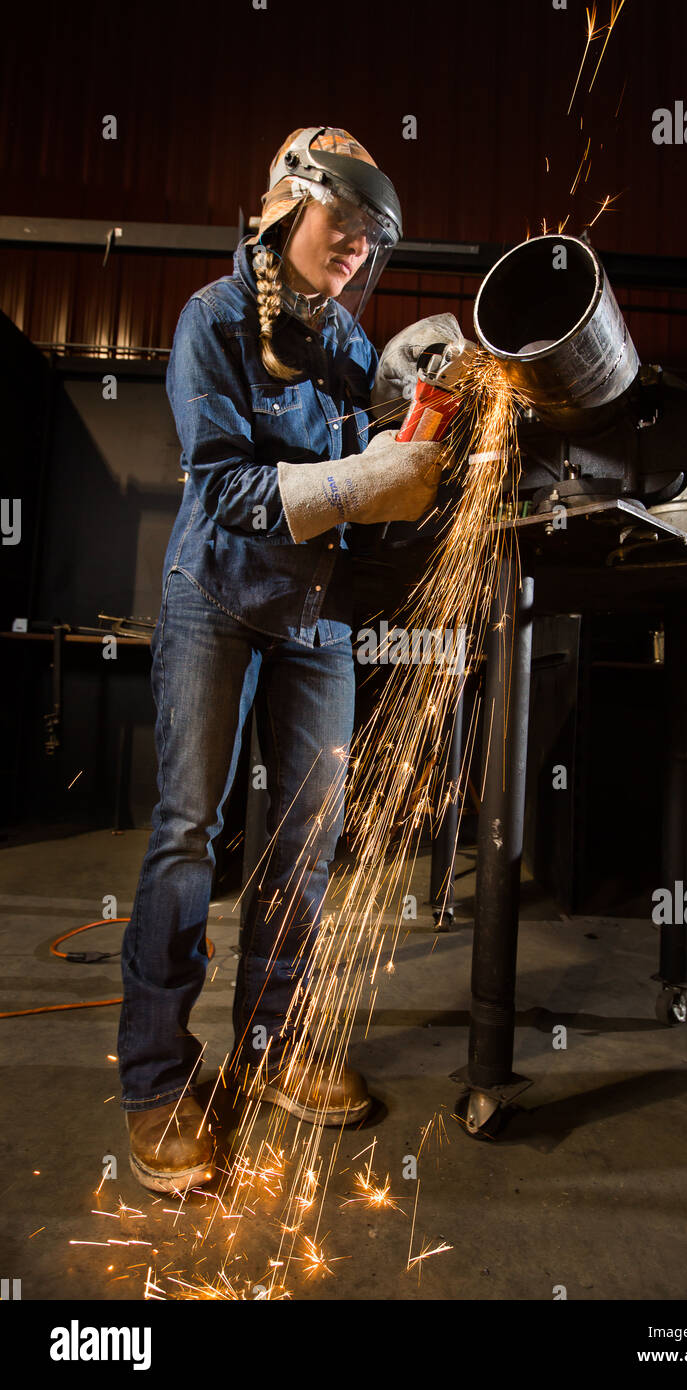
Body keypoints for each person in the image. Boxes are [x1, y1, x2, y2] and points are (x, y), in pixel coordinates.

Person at [118, 127, 447, 1195]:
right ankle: (159, 1078)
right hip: (215, 596)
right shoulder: (210, 322)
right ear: (281, 208)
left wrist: (424, 423)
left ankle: (273, 1051)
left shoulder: (352, 346)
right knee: (188, 832)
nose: (352, 245)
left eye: (368, 236)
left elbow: (376, 486)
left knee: (307, 839)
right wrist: (358, 485)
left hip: (318, 614)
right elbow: (226, 492)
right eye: (338, 221)